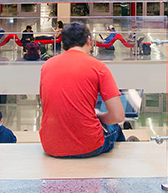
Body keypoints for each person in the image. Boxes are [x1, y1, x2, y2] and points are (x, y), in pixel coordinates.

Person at [39, 22, 126, 158]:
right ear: (89, 40)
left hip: (50, 145)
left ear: (63, 42)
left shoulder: (47, 66)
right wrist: (99, 116)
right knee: (115, 128)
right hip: (89, 145)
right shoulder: (98, 67)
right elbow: (118, 116)